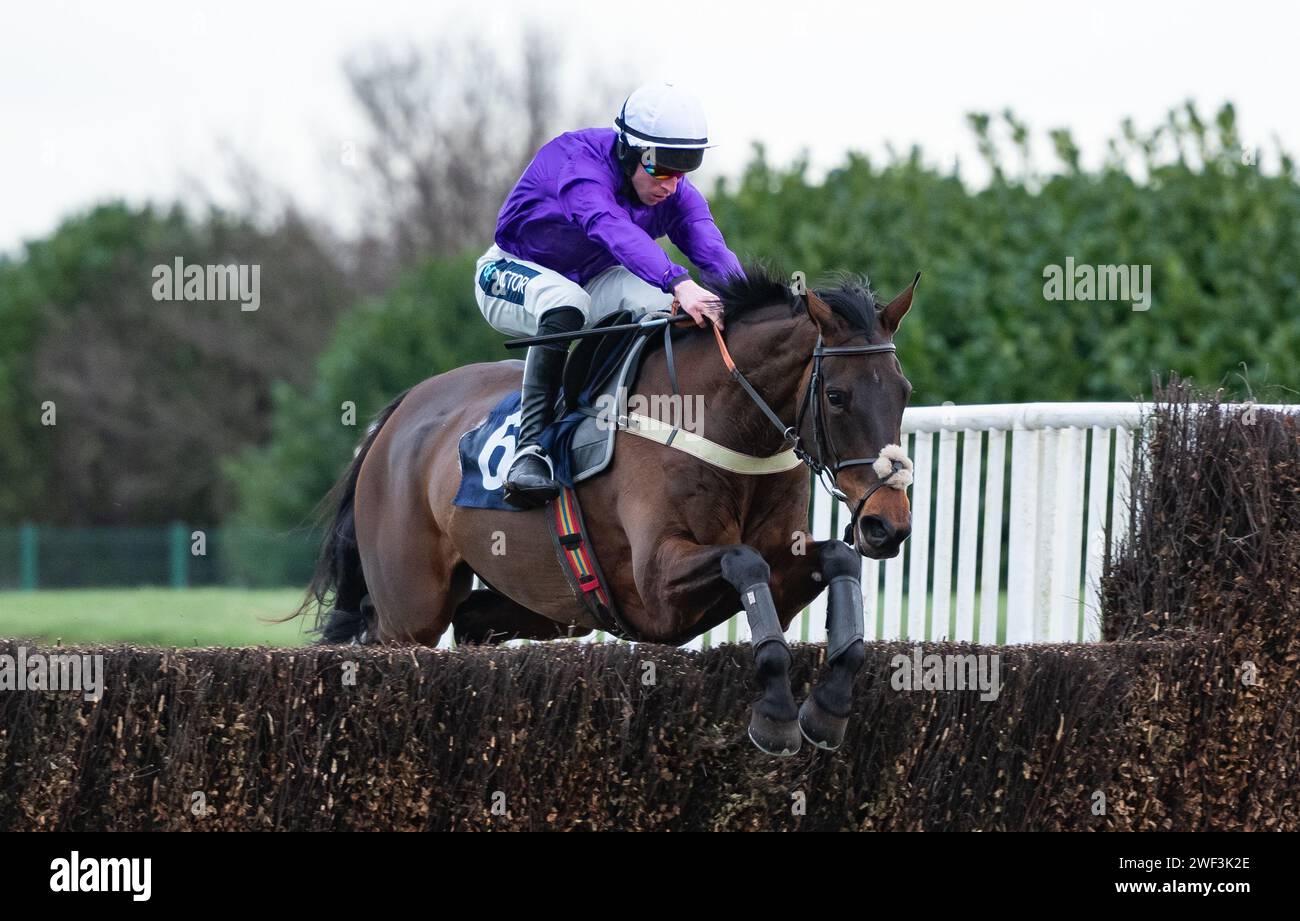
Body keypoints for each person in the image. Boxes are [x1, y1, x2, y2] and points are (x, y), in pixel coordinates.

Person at [474, 81, 745, 508]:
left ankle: (621, 419)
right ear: (628, 152)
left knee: (663, 309)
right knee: (568, 303)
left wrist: (749, 301)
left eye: (682, 172)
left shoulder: (674, 192)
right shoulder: (578, 166)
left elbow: (711, 248)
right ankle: (528, 451)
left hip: (592, 276)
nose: (671, 186)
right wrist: (680, 280)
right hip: (509, 270)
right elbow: (611, 229)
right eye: (661, 170)